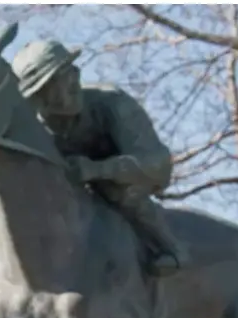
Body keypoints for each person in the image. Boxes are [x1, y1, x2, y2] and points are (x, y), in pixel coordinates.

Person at [11, 40, 189, 276]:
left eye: (71, 74)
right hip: (68, 196)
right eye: (54, 84)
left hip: (122, 183)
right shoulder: (33, 130)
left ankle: (169, 248)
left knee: (121, 193)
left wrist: (97, 170)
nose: (71, 85)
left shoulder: (113, 104)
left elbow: (158, 163)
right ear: (37, 98)